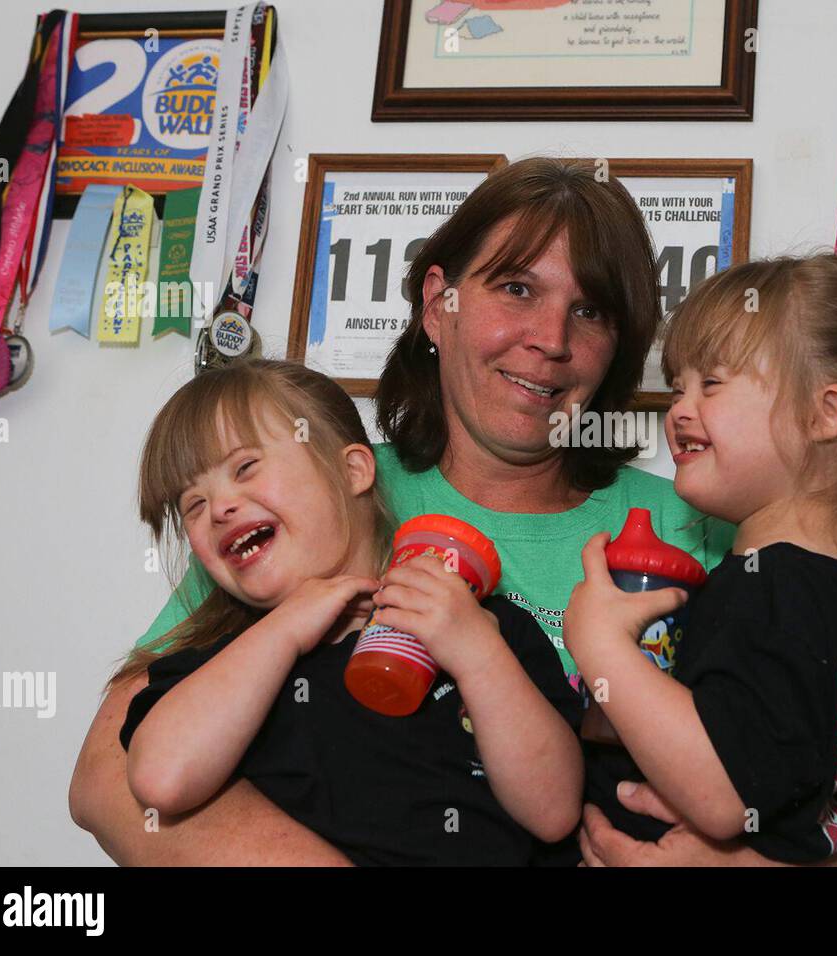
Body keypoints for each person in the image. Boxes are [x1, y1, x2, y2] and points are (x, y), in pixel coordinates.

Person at [69, 157, 837, 865]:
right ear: (437, 300)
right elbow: (111, 777)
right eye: (516, 289)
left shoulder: (703, 523)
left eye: (589, 310)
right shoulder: (319, 508)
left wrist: (746, 864)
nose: (551, 339)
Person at [566, 253, 837, 863]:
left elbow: (724, 792)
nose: (679, 409)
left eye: (711, 383)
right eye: (678, 387)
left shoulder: (770, 592)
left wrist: (601, 645)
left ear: (824, 414)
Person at [112, 359, 582, 864]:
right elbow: (162, 780)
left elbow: (553, 811)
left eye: (245, 468)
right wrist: (286, 628)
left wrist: (477, 654)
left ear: (352, 469)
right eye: (193, 504)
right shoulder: (216, 671)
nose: (220, 507)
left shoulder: (489, 626)